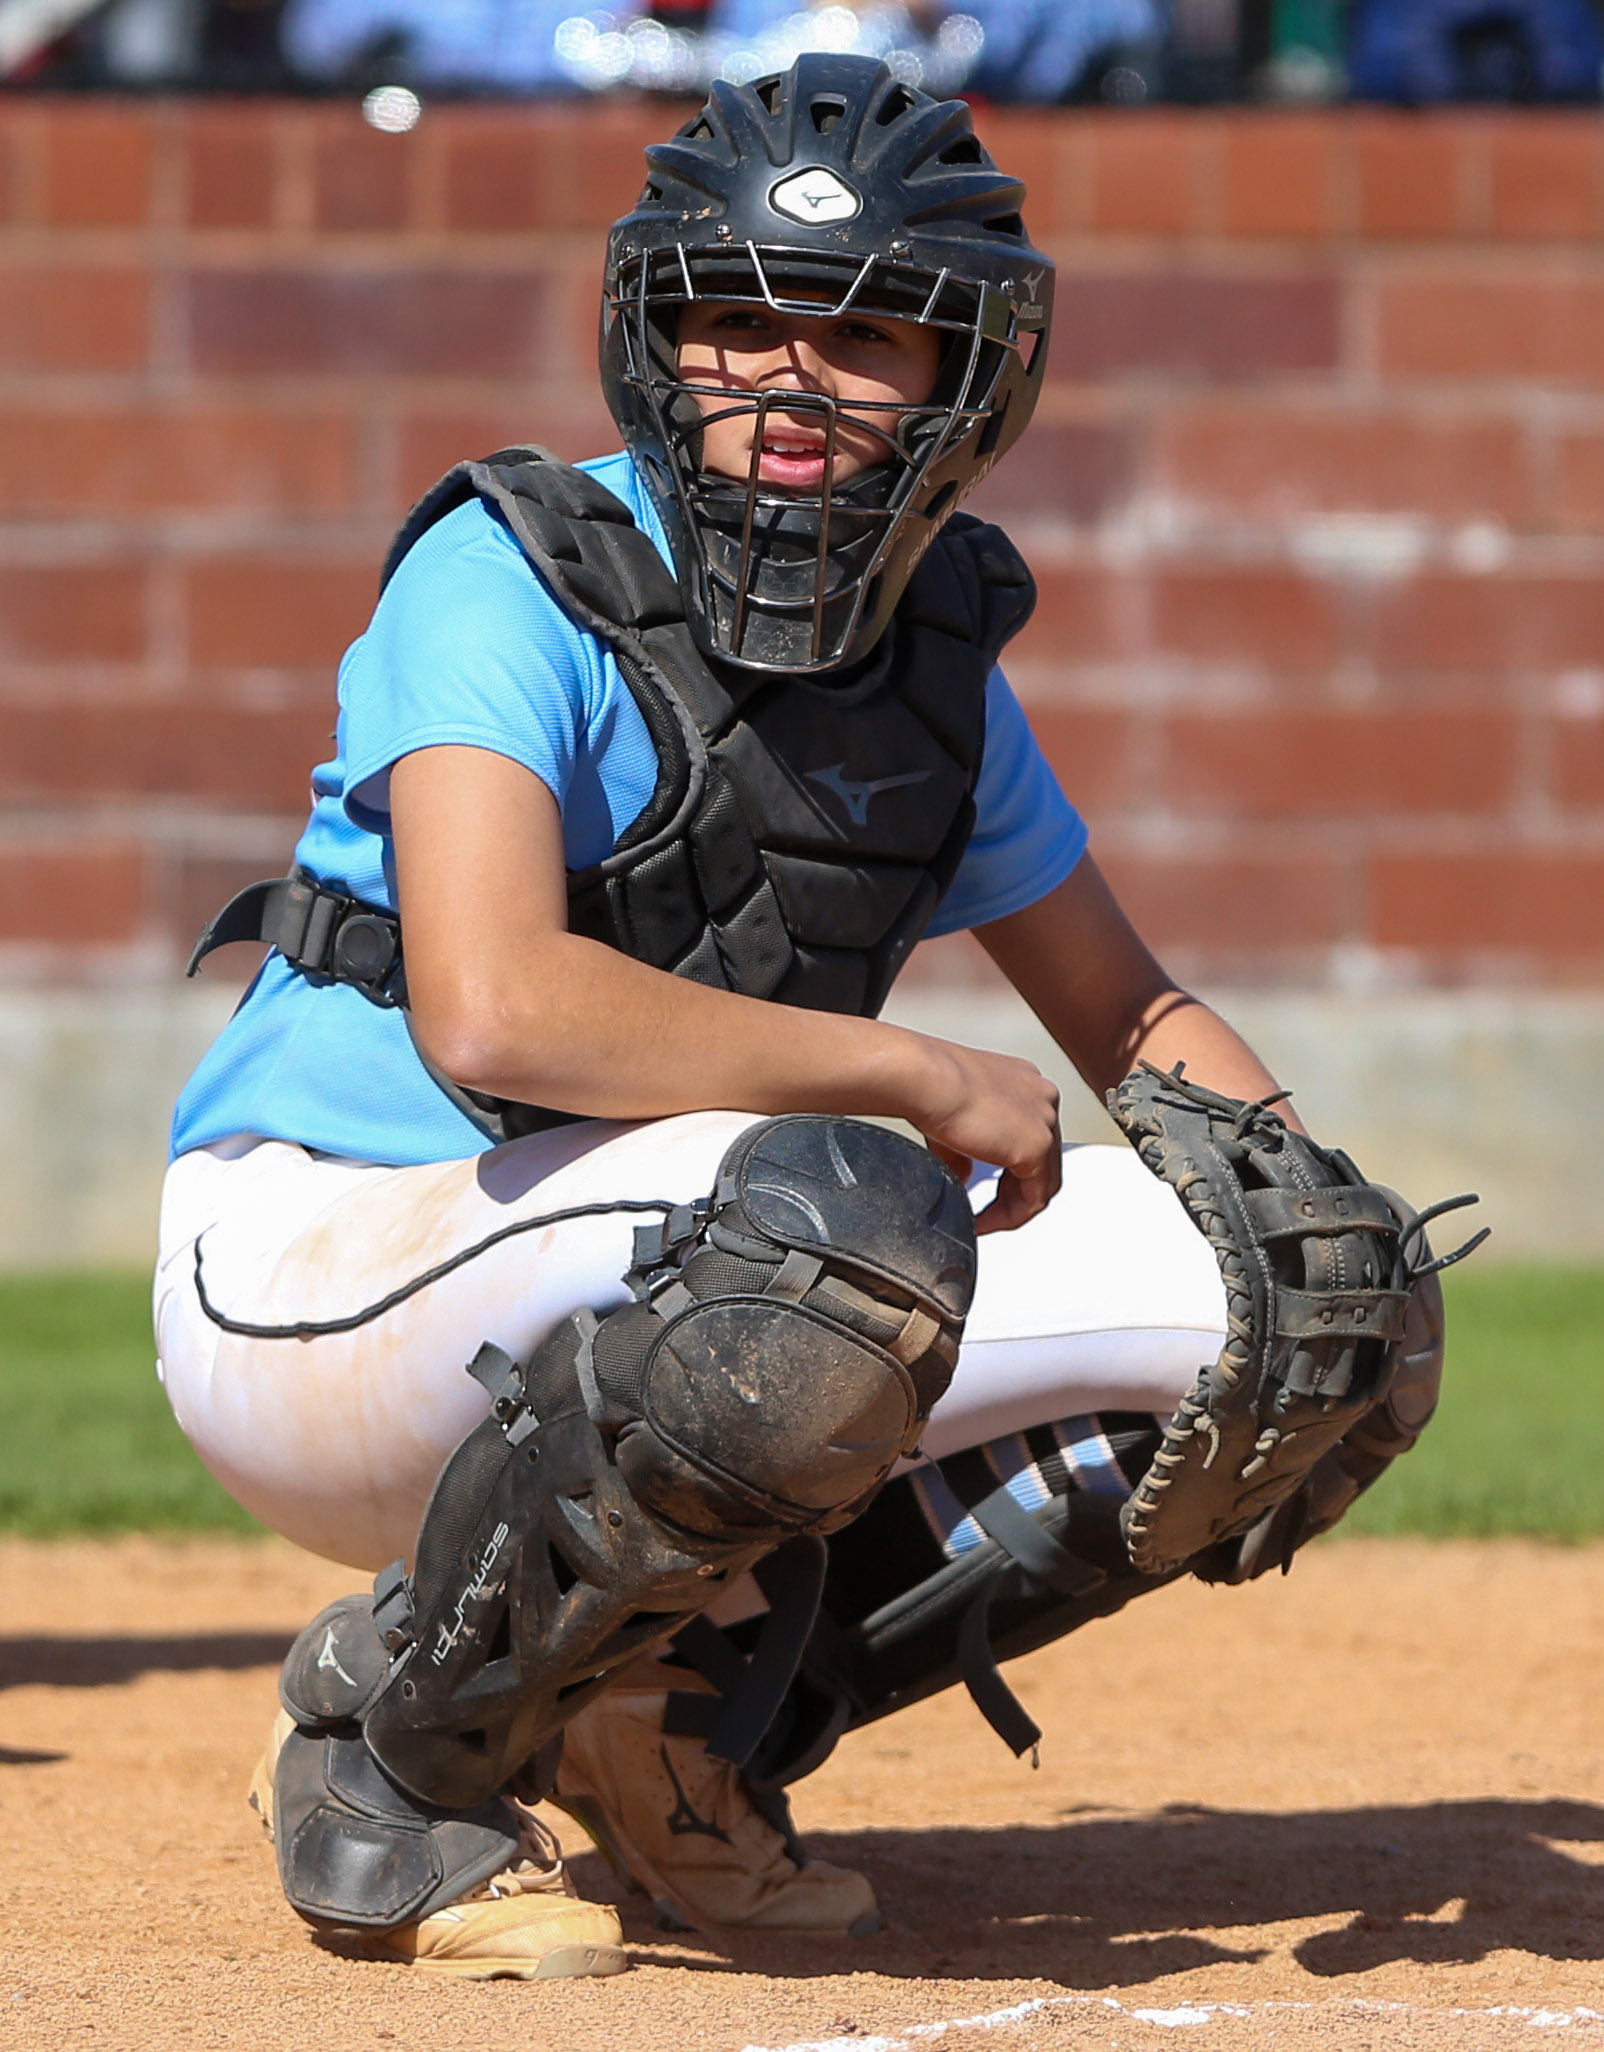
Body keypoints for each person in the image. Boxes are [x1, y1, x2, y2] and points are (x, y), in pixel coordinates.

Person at [159, 54, 1449, 1982]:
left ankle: (664, 1726)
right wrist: (914, 1070)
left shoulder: (929, 656)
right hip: (326, 1255)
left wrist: (1322, 1240)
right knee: (841, 1221)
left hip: (678, 1249)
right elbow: (496, 1009)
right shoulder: (510, 569)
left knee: (1309, 1309)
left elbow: (1131, 1008)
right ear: (647, 333)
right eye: (732, 318)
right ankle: (398, 1742)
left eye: (863, 336)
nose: (784, 376)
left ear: (970, 380)